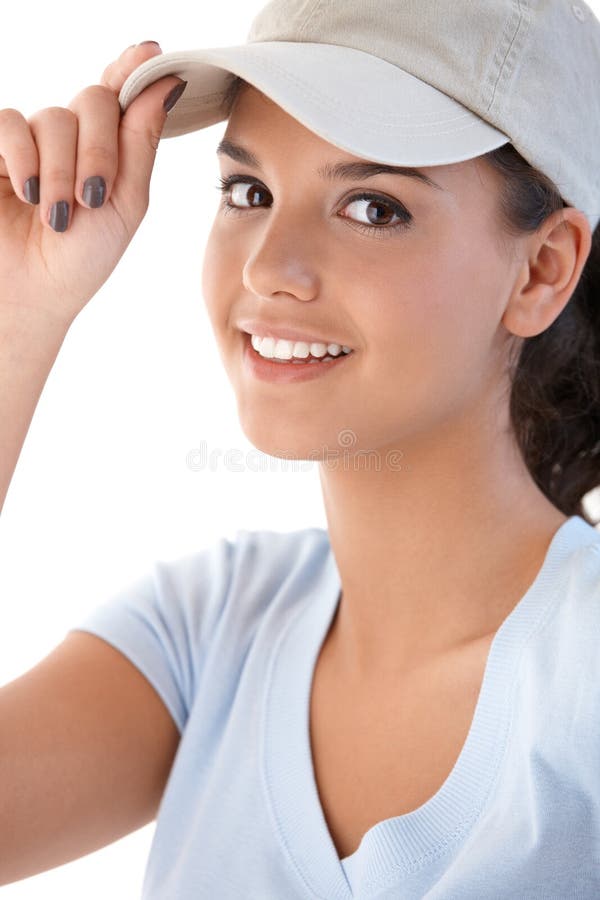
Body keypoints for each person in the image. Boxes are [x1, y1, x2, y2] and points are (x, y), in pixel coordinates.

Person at [1, 1, 599, 897]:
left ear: (542, 269)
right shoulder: (207, 632)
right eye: (249, 193)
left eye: (372, 206)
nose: (269, 266)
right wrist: (16, 316)